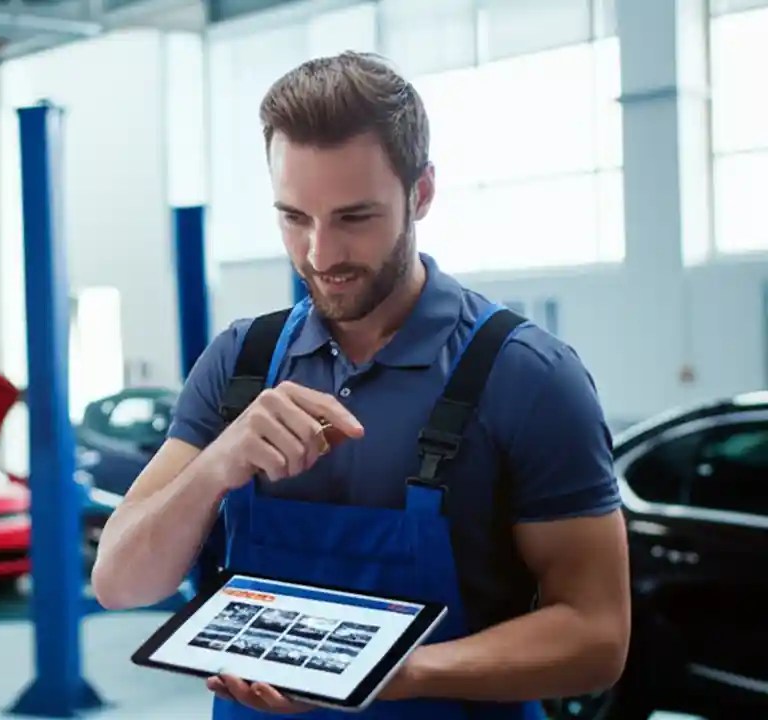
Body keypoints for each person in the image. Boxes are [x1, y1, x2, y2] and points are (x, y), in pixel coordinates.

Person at [91, 52, 631, 719]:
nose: (320, 255)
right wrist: (217, 465)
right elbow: (120, 582)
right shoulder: (242, 363)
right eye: (294, 217)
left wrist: (387, 673)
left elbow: (596, 634)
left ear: (422, 193)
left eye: (354, 218)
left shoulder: (528, 376)